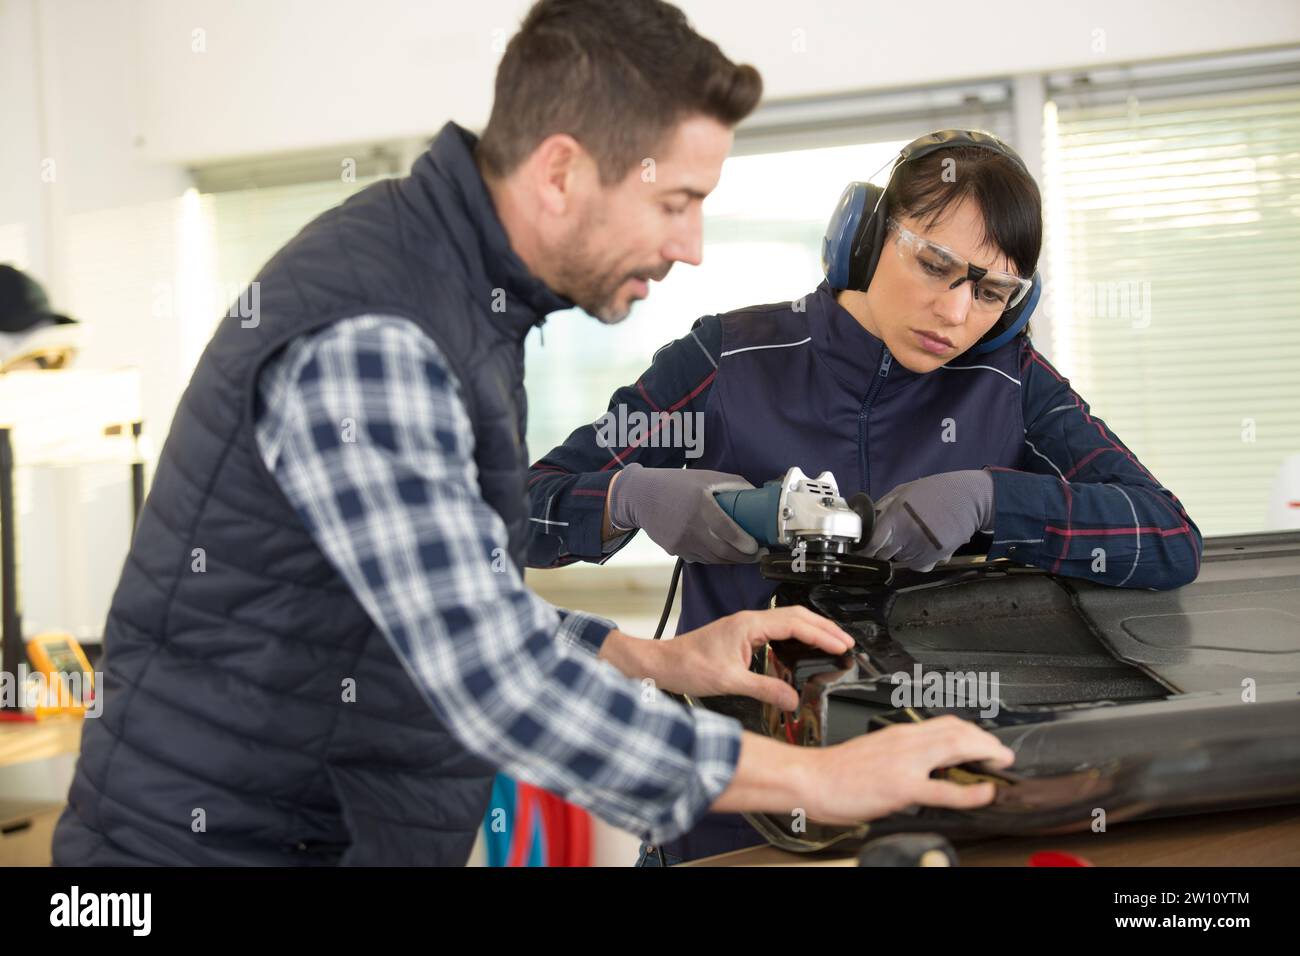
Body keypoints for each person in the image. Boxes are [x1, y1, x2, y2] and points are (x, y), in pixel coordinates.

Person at [52, 1, 1012, 867]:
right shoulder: (379, 333)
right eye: (677, 201)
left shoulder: (459, 295)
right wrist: (822, 781)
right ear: (561, 172)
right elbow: (491, 680)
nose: (692, 246)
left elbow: (443, 600)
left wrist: (657, 658)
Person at [527, 129, 1203, 865]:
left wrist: (991, 501)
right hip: (734, 815)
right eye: (934, 265)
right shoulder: (729, 361)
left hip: (943, 808)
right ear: (865, 238)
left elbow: (1167, 536)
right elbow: (516, 514)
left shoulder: (1011, 383)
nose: (955, 314)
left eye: (989, 292)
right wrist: (628, 495)